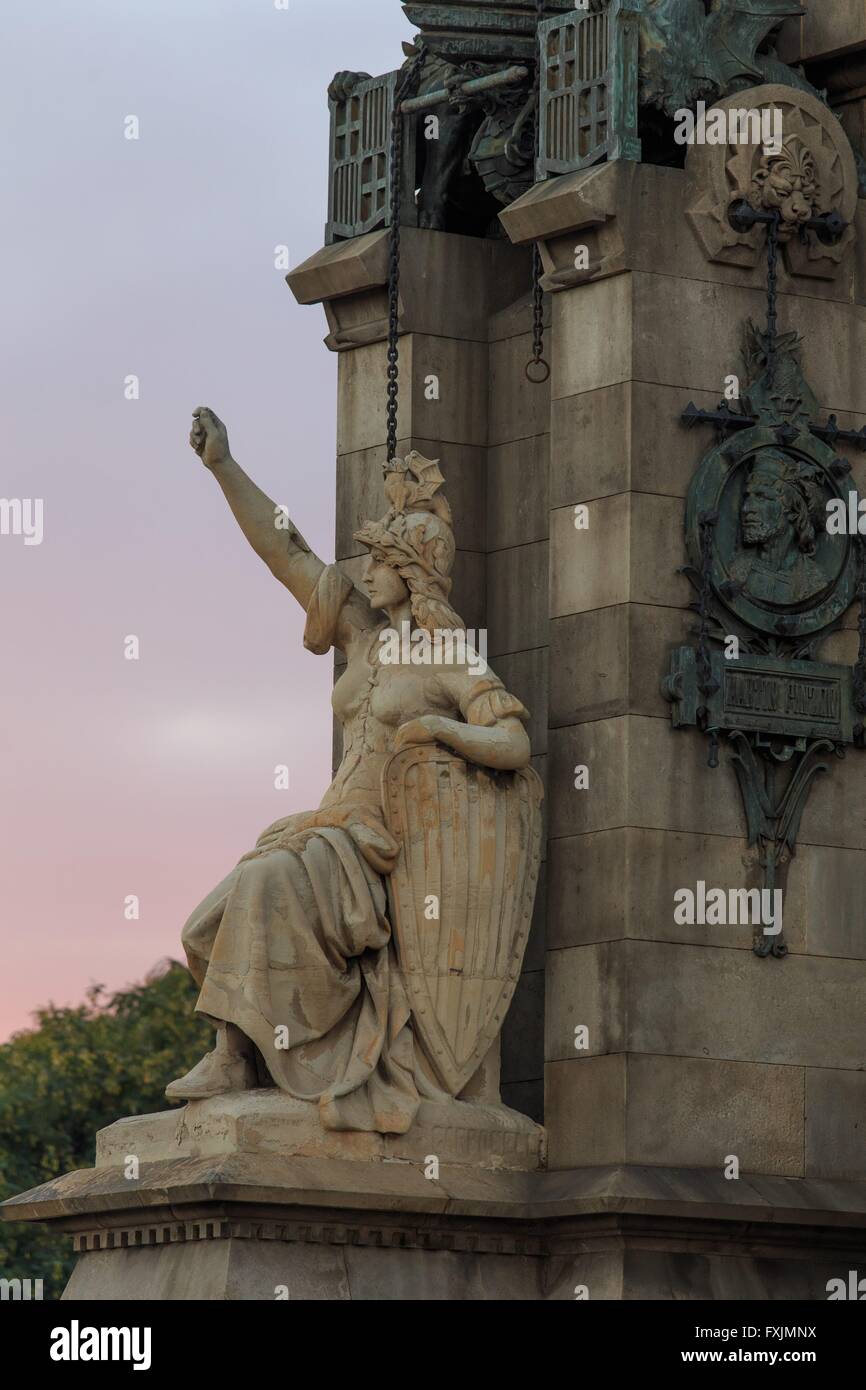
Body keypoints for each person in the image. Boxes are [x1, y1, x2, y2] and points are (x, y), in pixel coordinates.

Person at [165, 408, 532, 1135]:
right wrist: (224, 467)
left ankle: (234, 1055)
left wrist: (437, 728)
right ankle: (252, 1045)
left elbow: (514, 744)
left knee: (265, 885)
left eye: (380, 559)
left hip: (375, 848)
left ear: (412, 573)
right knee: (206, 923)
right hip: (322, 829)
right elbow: (288, 553)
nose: (364, 570)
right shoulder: (362, 637)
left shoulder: (448, 656)